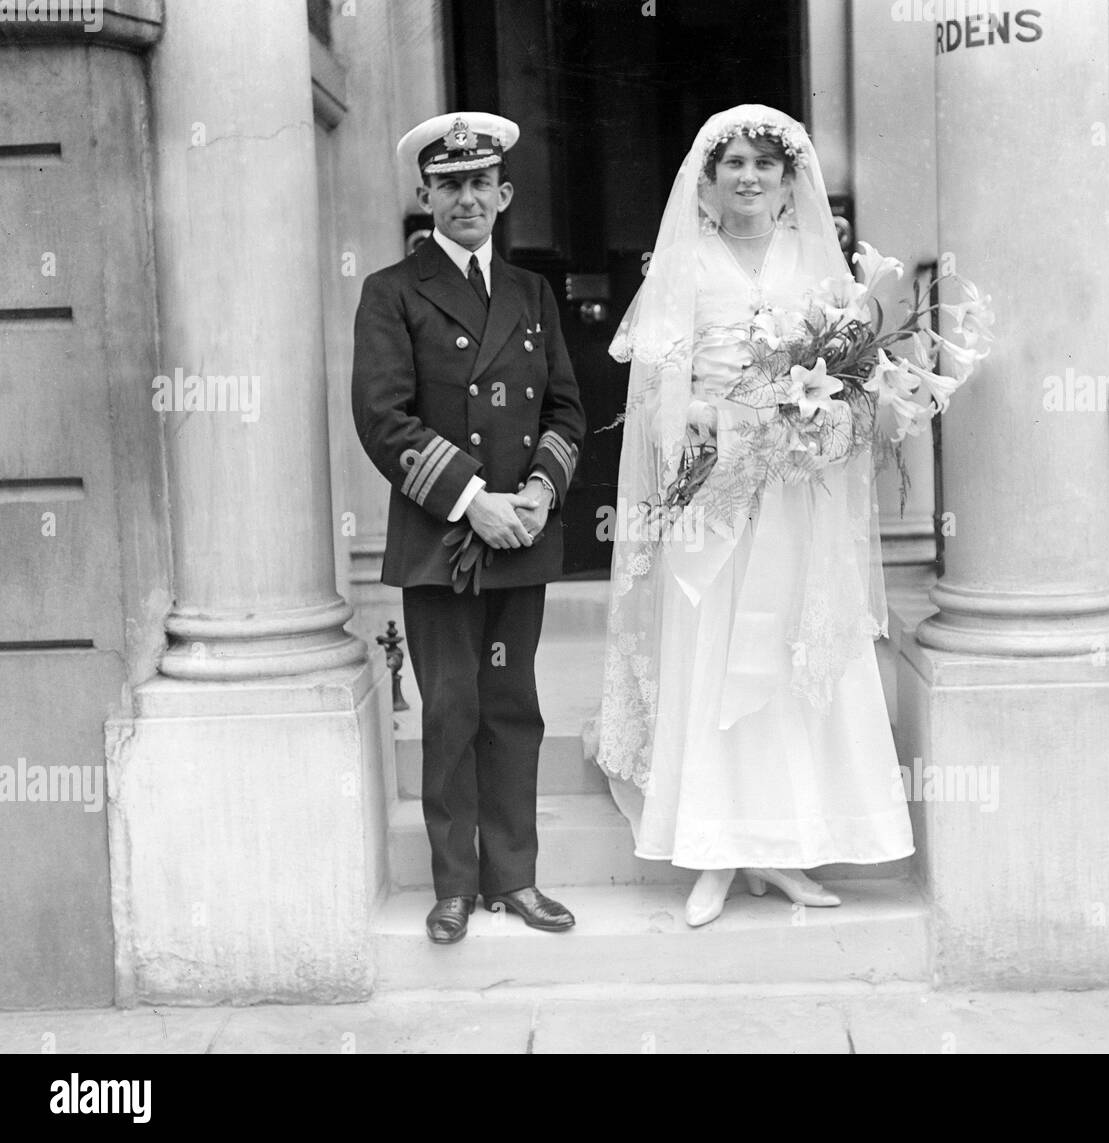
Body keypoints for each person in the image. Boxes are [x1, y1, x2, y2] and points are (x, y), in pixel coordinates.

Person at [596, 105, 915, 927]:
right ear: (707, 183)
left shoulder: (820, 267)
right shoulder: (686, 265)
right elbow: (655, 385)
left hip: (798, 492)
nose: (747, 176)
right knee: (714, 656)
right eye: (732, 163)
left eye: (763, 165)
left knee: (786, 657)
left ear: (787, 180)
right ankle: (715, 848)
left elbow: (857, 377)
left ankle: (783, 849)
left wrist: (825, 419)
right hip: (715, 494)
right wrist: (702, 415)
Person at [352, 112, 585, 945]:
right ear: (425, 196)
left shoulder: (531, 294)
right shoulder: (390, 291)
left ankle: (514, 877)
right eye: (448, 184)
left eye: (480, 182)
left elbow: (566, 408)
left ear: (505, 193)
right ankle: (454, 883)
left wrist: (535, 494)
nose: (466, 198)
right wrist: (473, 498)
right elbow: (384, 419)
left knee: (512, 704)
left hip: (519, 532)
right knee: (450, 707)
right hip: (442, 538)